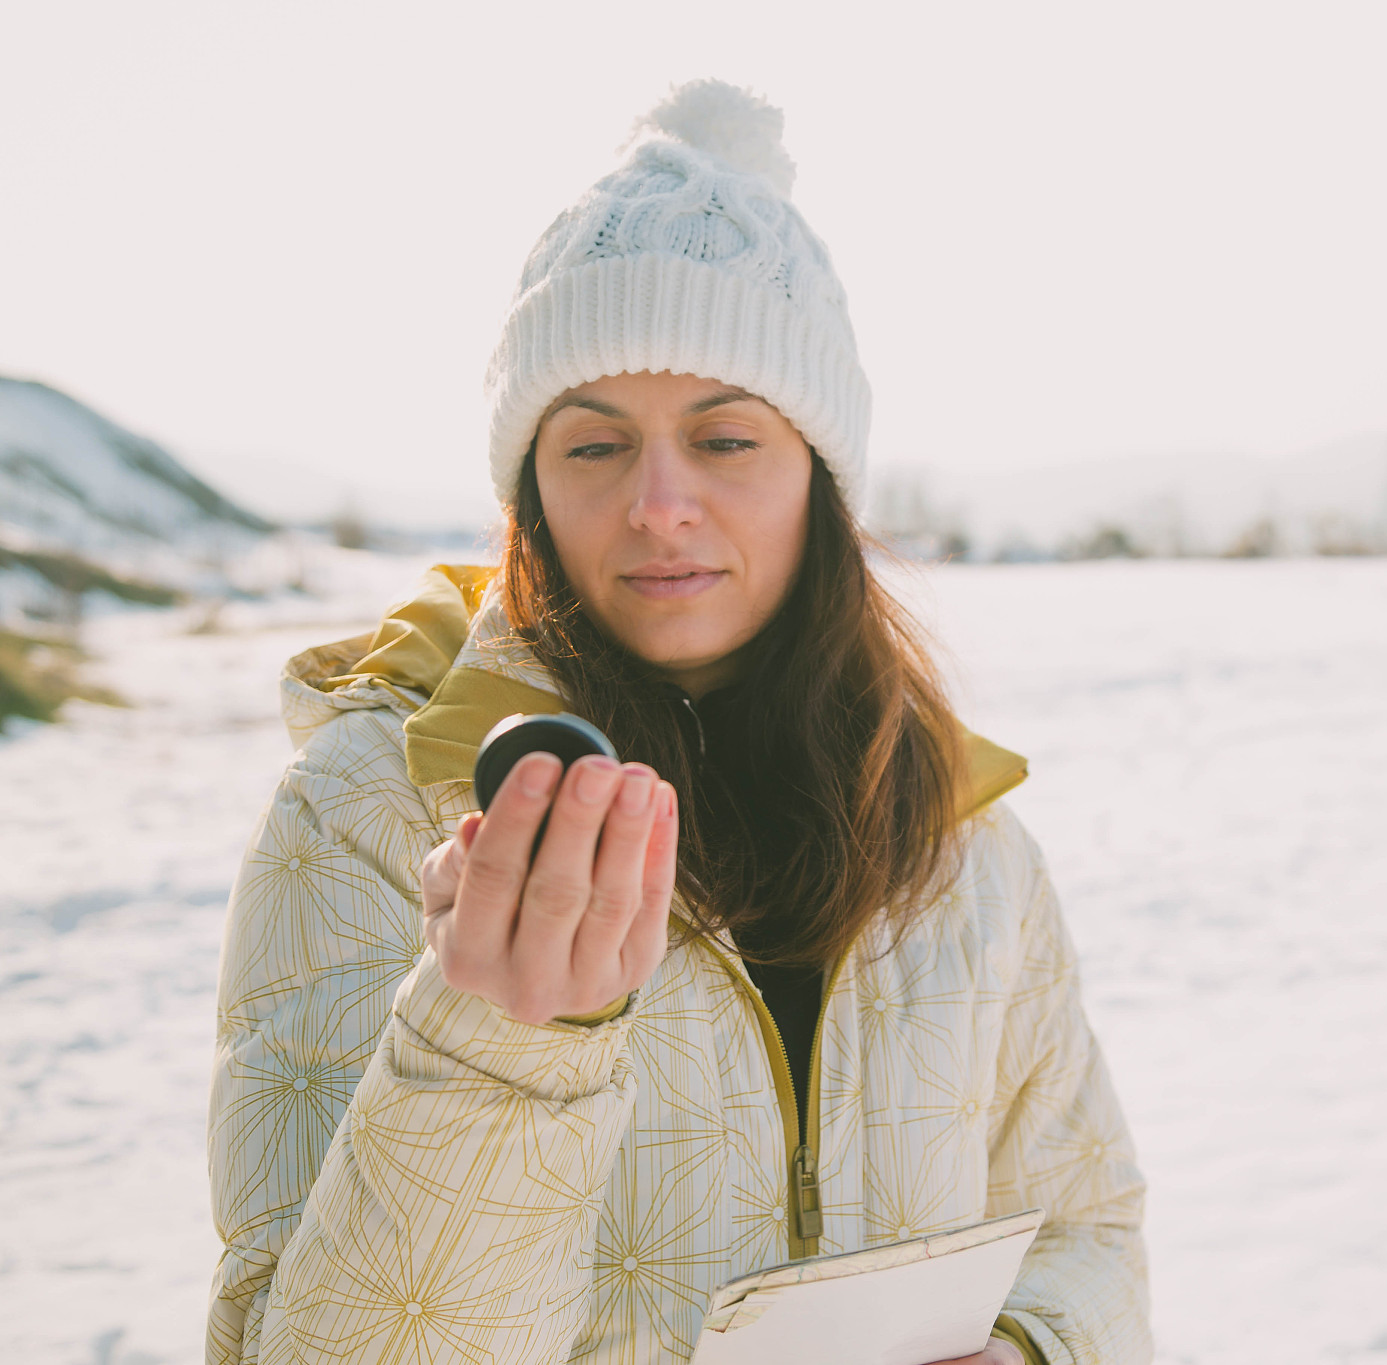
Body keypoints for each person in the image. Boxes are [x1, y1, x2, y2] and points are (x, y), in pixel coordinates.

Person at [204, 80, 1149, 1365]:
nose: (658, 503)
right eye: (592, 447)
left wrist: (1037, 1352)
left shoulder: (955, 839)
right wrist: (496, 1046)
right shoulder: (372, 810)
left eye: (724, 439)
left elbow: (1085, 1229)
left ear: (819, 478)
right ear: (528, 486)